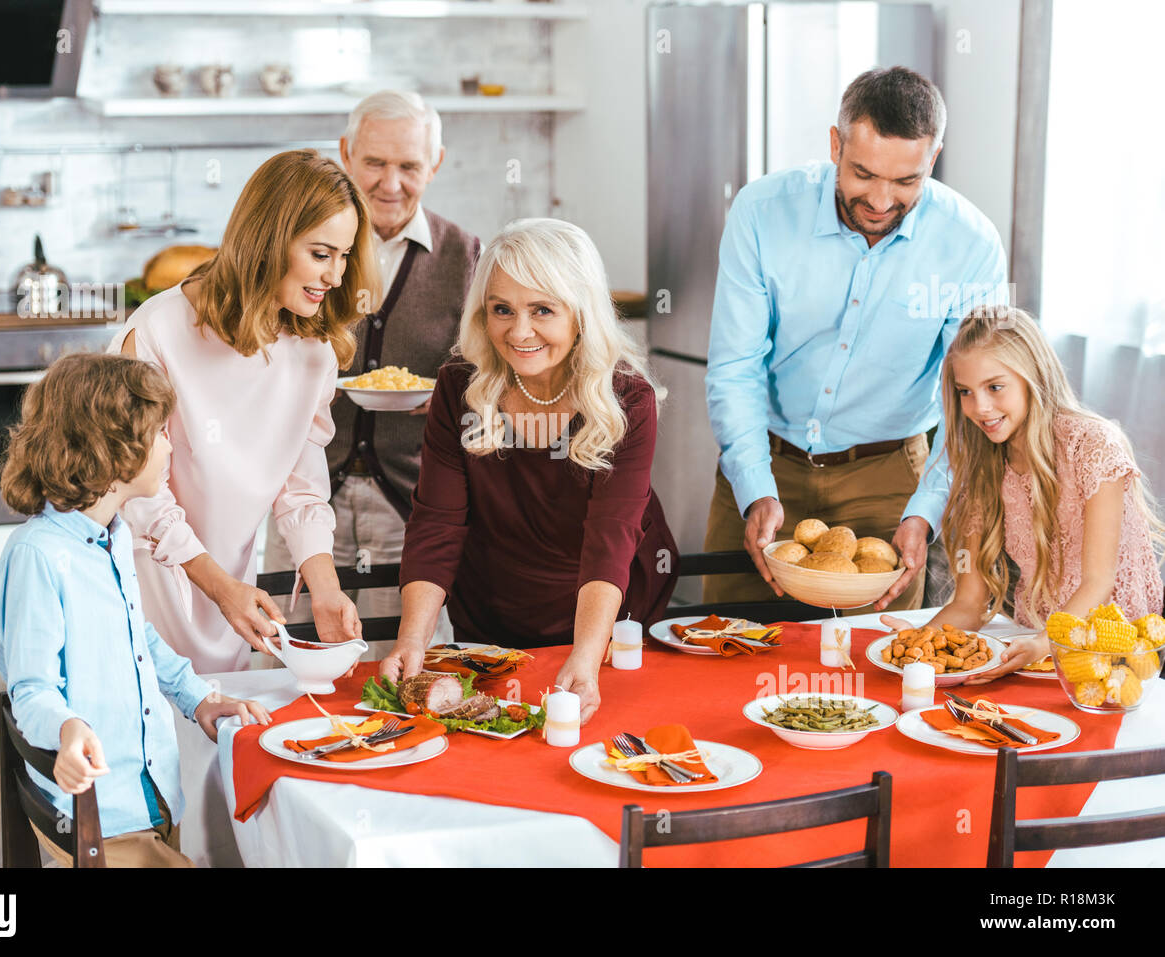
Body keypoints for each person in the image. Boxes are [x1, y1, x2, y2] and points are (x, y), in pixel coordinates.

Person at [703, 66, 1008, 613]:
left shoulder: (971, 244)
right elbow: (735, 366)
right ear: (834, 145)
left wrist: (925, 511)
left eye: (906, 181)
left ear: (932, 159)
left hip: (890, 479)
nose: (881, 200)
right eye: (863, 173)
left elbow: (972, 396)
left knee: (877, 673)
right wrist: (755, 488)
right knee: (728, 648)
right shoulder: (762, 212)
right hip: (762, 465)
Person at [378, 219, 678, 722]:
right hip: (494, 604)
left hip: (606, 608)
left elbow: (610, 537)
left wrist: (585, 658)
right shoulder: (460, 385)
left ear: (580, 314)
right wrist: (412, 640)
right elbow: (437, 522)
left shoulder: (627, 398)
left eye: (542, 310)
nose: (519, 332)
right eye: (502, 310)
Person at [0, 354, 270, 867]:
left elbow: (136, 636)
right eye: (161, 432)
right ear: (113, 452)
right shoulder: (40, 556)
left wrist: (198, 698)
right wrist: (67, 728)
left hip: (151, 797)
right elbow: (31, 689)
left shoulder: (114, 535)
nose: (170, 444)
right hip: (99, 815)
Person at [112, 149, 376, 673]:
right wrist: (218, 586)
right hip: (144, 580)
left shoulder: (313, 352)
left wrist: (324, 588)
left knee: (220, 741)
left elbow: (300, 488)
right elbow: (137, 486)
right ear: (270, 241)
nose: (336, 275)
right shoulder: (157, 331)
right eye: (321, 254)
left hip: (229, 590)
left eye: (344, 256)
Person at [264, 92, 481, 637]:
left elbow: (491, 377)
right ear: (345, 153)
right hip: (299, 490)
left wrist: (458, 400)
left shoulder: (467, 256)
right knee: (290, 654)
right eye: (375, 163)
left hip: (411, 501)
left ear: (434, 164)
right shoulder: (298, 246)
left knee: (398, 665)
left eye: (408, 166)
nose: (391, 183)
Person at [880, 306, 1165, 681]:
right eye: (965, 391)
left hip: (1119, 661)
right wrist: (922, 641)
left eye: (995, 387)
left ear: (1033, 377)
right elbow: (969, 601)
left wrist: (1047, 643)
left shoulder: (1093, 446)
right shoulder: (982, 466)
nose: (980, 408)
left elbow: (1098, 581)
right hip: (1038, 653)